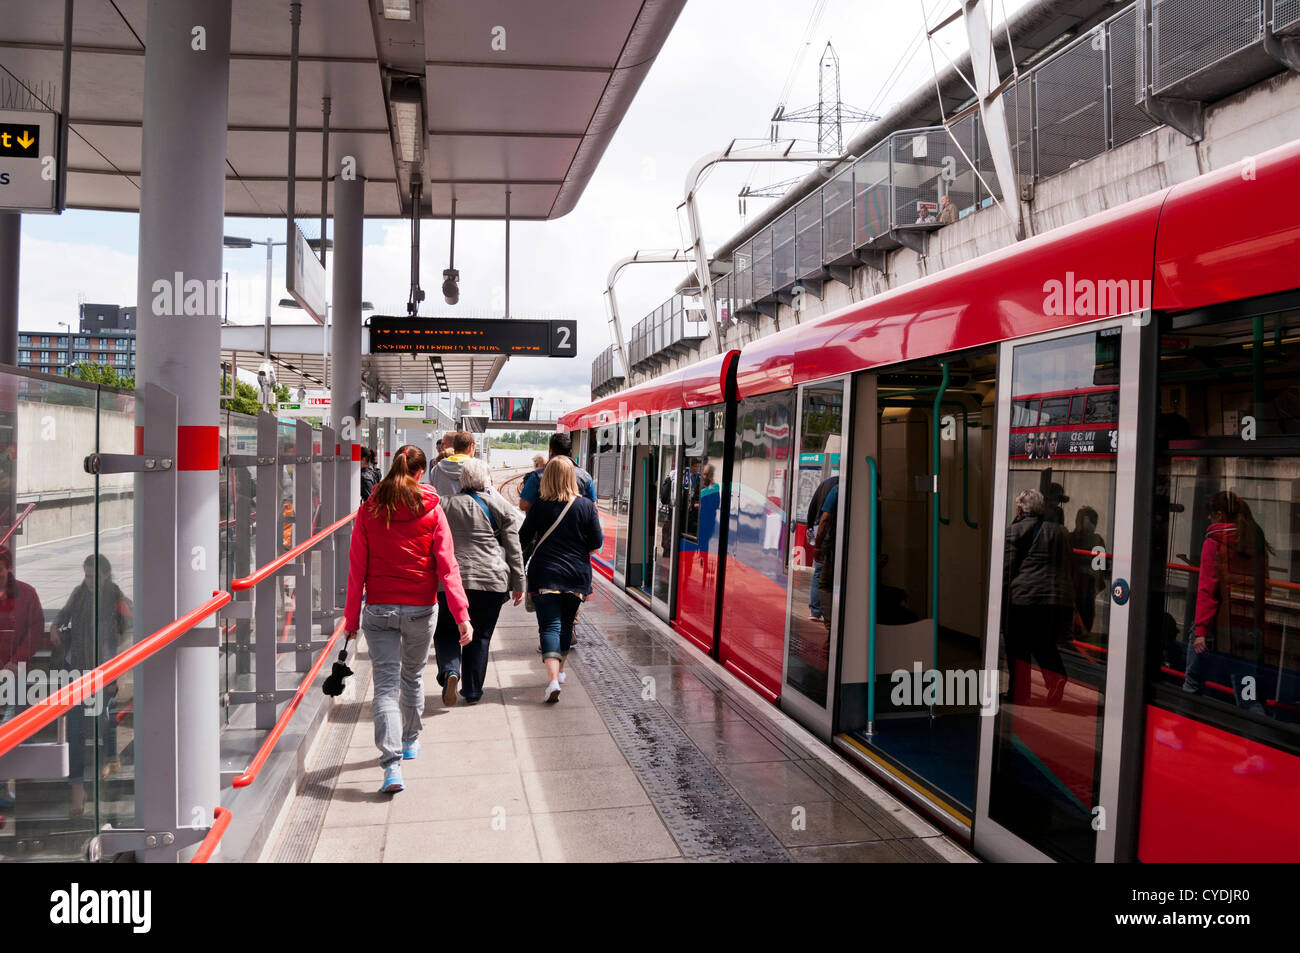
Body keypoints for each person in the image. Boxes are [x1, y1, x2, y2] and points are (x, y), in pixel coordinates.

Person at [343, 444, 472, 794]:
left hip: (378, 610)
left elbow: (357, 571)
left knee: (385, 686)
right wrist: (462, 616)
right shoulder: (432, 510)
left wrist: (351, 621)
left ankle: (391, 765)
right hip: (419, 609)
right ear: (420, 472)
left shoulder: (370, 510)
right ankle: (411, 739)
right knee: (412, 676)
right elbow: (448, 567)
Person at [433, 458, 525, 705]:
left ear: (462, 480)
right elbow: (513, 549)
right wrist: (519, 584)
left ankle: (451, 670)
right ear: (486, 480)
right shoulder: (501, 507)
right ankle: (472, 691)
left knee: (446, 631)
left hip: (451, 582)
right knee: (481, 636)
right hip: (491, 580)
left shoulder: (444, 505)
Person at [50, 554, 132, 816]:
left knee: (103, 718)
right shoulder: (79, 593)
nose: (89, 581)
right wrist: (54, 626)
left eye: (93, 577)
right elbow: (63, 615)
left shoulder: (115, 597)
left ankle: (110, 759)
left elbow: (131, 627)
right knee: (75, 728)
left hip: (103, 672)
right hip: (77, 671)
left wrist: (116, 664)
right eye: (86, 576)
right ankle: (77, 787)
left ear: (106, 575)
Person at [519, 456, 603, 703]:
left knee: (549, 626)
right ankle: (562, 670)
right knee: (566, 625)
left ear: (547, 478)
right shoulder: (586, 506)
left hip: (545, 573)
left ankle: (553, 679)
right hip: (576, 574)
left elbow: (523, 538)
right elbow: (596, 542)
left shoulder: (540, 506)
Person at [1184, 490, 1272, 710]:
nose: (1209, 519)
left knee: (1192, 685)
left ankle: (1182, 729)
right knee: (1248, 696)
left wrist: (1201, 632)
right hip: (1249, 624)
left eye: (1211, 515)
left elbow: (1207, 590)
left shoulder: (1214, 541)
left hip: (1218, 625)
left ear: (1221, 515)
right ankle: (1257, 738)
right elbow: (1263, 582)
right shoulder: (1255, 537)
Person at [1003, 488, 1073, 706]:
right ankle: (1056, 675)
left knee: (1018, 646)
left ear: (1020, 508)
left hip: (1025, 598)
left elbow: (1007, 568)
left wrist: (1001, 599)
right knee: (1043, 641)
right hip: (1058, 598)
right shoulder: (1061, 532)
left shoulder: (1014, 531)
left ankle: (1020, 693)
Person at [0, 545, 44, 811]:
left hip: (16, 671)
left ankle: (11, 779)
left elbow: (36, 628)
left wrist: (17, 661)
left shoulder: (27, 594)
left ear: (8, 568)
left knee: (11, 721)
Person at [518, 431, 596, 512]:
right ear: (570, 452)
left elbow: (524, 505)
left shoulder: (537, 476)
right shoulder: (585, 476)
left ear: (551, 452)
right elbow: (594, 507)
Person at [806, 475, 838, 622]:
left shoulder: (826, 483)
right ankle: (828, 615)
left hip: (823, 534)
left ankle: (815, 611)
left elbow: (812, 507)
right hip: (831, 536)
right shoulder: (839, 487)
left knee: (819, 572)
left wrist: (810, 527)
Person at [813, 479, 840, 630]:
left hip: (834, 548)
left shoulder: (837, 489)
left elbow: (825, 519)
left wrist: (818, 546)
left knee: (824, 585)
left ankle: (831, 625)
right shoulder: (876, 487)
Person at [429, 430, 477, 499]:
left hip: (442, 508)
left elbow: (432, 493)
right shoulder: (477, 468)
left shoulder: (436, 469)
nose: (441, 447)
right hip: (468, 509)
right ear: (471, 447)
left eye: (444, 444)